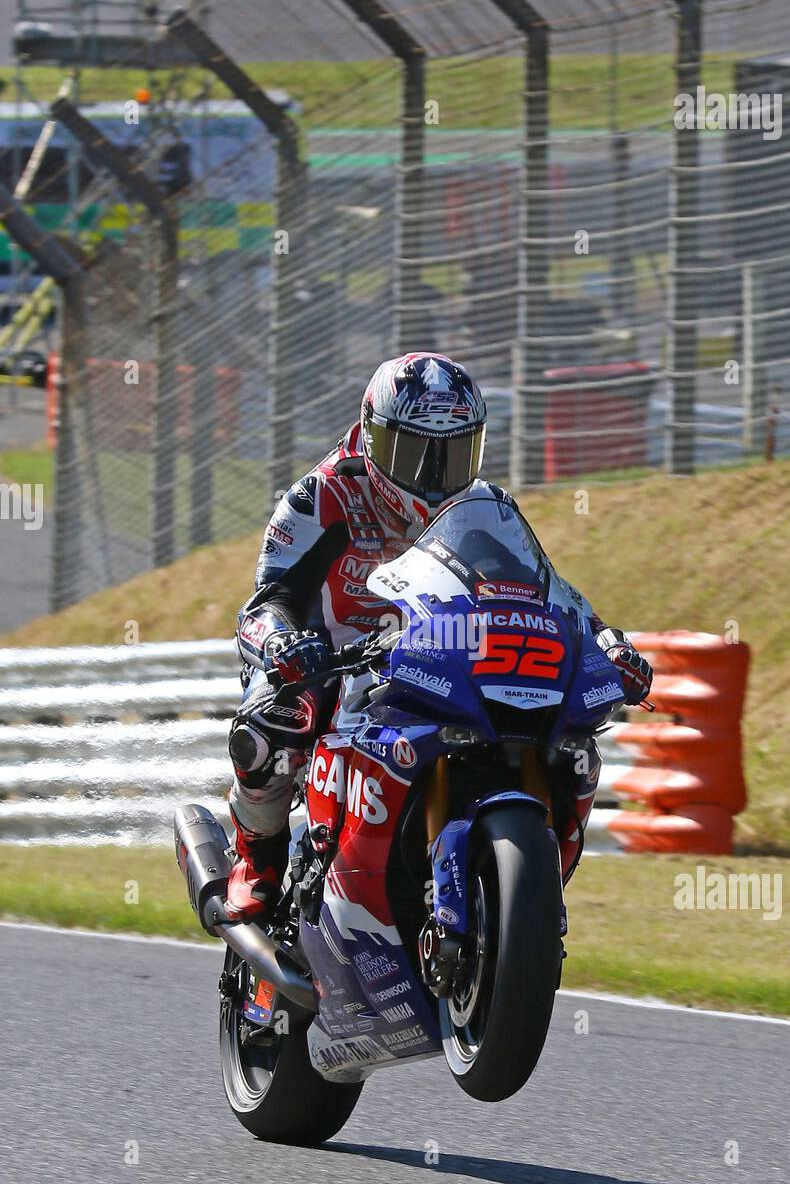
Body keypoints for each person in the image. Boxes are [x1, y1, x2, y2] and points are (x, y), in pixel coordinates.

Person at [225, 352, 652, 919]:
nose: (434, 474)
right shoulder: (320, 499)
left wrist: (605, 643)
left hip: (441, 655)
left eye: (453, 454)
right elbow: (268, 600)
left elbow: (551, 592)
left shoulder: (487, 508)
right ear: (375, 438)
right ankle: (259, 861)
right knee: (272, 724)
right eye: (416, 453)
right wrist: (284, 643)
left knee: (562, 736)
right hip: (333, 659)